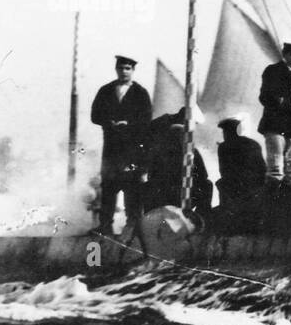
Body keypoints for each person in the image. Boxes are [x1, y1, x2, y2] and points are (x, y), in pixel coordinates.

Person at [89, 54, 152, 234]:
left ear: (133, 71)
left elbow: (146, 119)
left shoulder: (141, 93)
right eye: (121, 68)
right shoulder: (105, 91)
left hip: (132, 150)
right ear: (116, 69)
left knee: (132, 188)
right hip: (111, 149)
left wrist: (129, 124)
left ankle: (133, 226)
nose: (124, 72)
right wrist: (109, 122)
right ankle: (105, 225)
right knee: (108, 187)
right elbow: (95, 115)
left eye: (128, 68)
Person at [257, 40, 291, 188]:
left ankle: (288, 208)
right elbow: (267, 97)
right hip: (275, 127)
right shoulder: (272, 71)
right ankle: (272, 208)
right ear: (285, 54)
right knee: (275, 172)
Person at [142, 107, 213, 213]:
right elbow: (203, 175)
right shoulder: (191, 151)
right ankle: (201, 217)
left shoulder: (160, 149)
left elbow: (151, 172)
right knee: (207, 185)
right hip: (179, 193)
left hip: (162, 192)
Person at [216, 116, 266, 207]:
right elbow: (262, 168)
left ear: (227, 132)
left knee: (221, 183)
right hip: (256, 187)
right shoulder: (253, 143)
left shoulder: (224, 147)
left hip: (236, 188)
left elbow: (224, 171)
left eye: (224, 132)